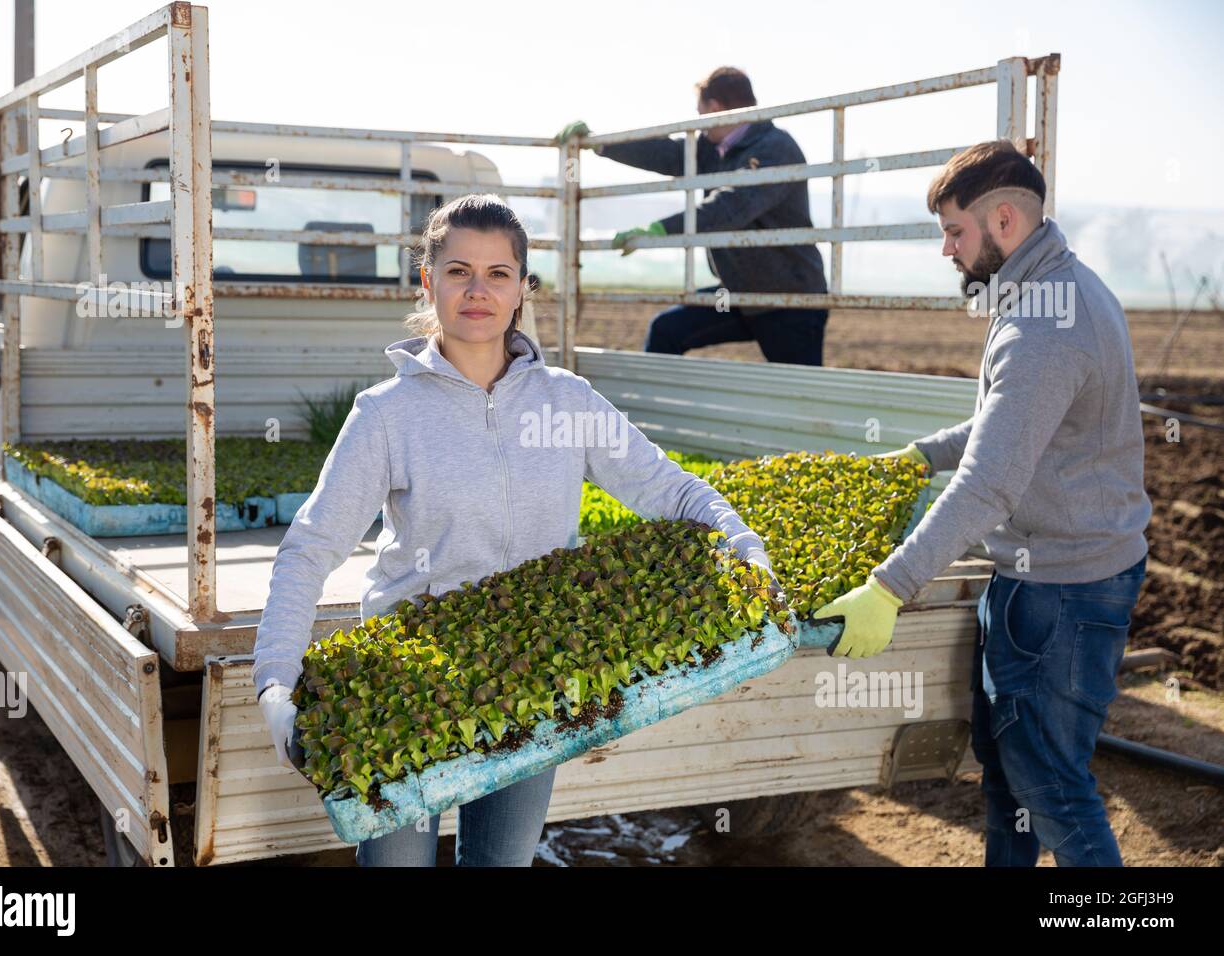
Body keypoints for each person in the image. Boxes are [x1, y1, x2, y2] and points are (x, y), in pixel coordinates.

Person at [253, 193, 773, 867]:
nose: (478, 290)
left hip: (528, 677)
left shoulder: (568, 401)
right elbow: (311, 548)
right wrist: (274, 681)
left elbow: (666, 488)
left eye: (499, 273)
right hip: (412, 681)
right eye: (459, 271)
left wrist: (740, 541)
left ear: (523, 288)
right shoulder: (387, 415)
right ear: (427, 282)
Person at [813, 141, 1151, 867]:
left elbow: (991, 480)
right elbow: (1013, 423)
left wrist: (887, 587)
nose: (945, 250)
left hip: (1065, 592)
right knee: (1008, 778)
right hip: (1039, 578)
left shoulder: (1043, 326)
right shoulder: (1052, 289)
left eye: (953, 231)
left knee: (1053, 786)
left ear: (1004, 220)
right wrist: (922, 455)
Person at [555, 66, 830, 366]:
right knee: (667, 330)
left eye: (701, 115)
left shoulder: (776, 149)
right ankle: (656, 409)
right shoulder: (713, 148)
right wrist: (601, 143)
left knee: (800, 393)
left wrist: (662, 228)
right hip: (737, 294)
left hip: (788, 299)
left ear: (715, 108)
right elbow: (666, 153)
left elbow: (730, 207)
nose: (700, 126)